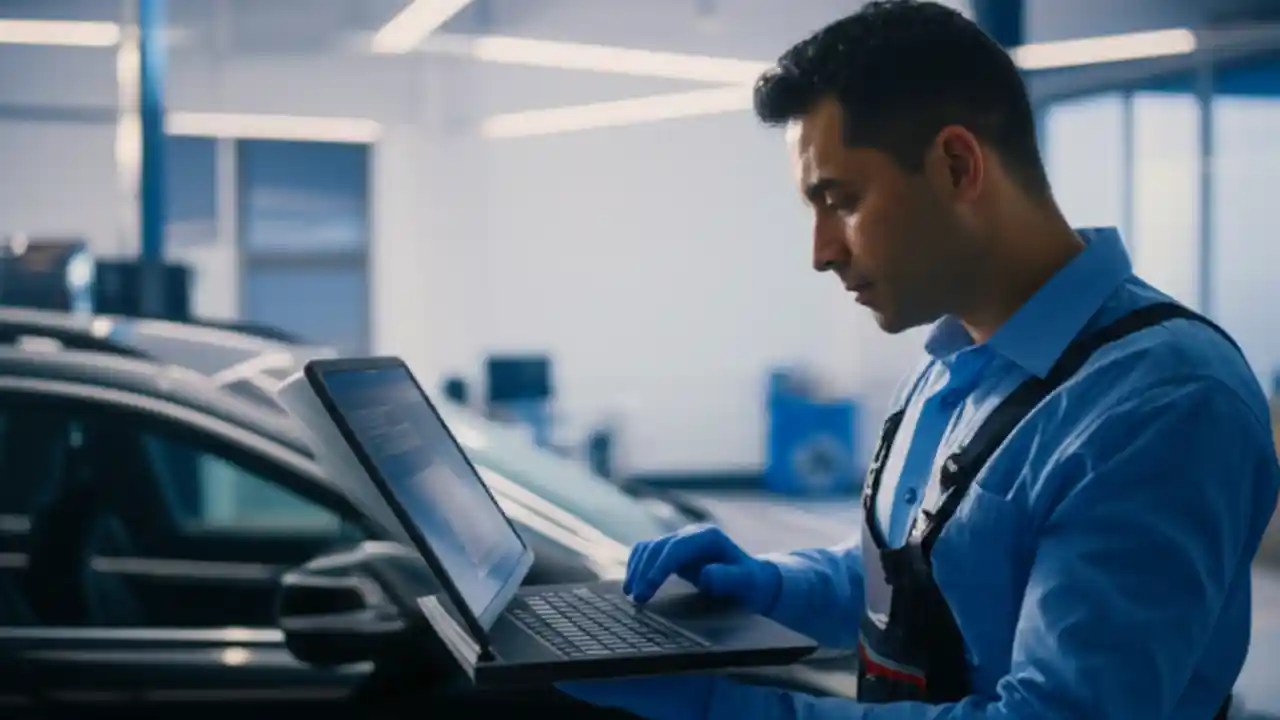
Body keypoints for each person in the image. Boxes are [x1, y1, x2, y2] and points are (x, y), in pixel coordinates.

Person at [559, 1, 1280, 719]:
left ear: (956, 166)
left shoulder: (1162, 403)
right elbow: (921, 584)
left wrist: (725, 712)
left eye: (841, 201)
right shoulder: (951, 361)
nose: (821, 252)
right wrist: (767, 588)